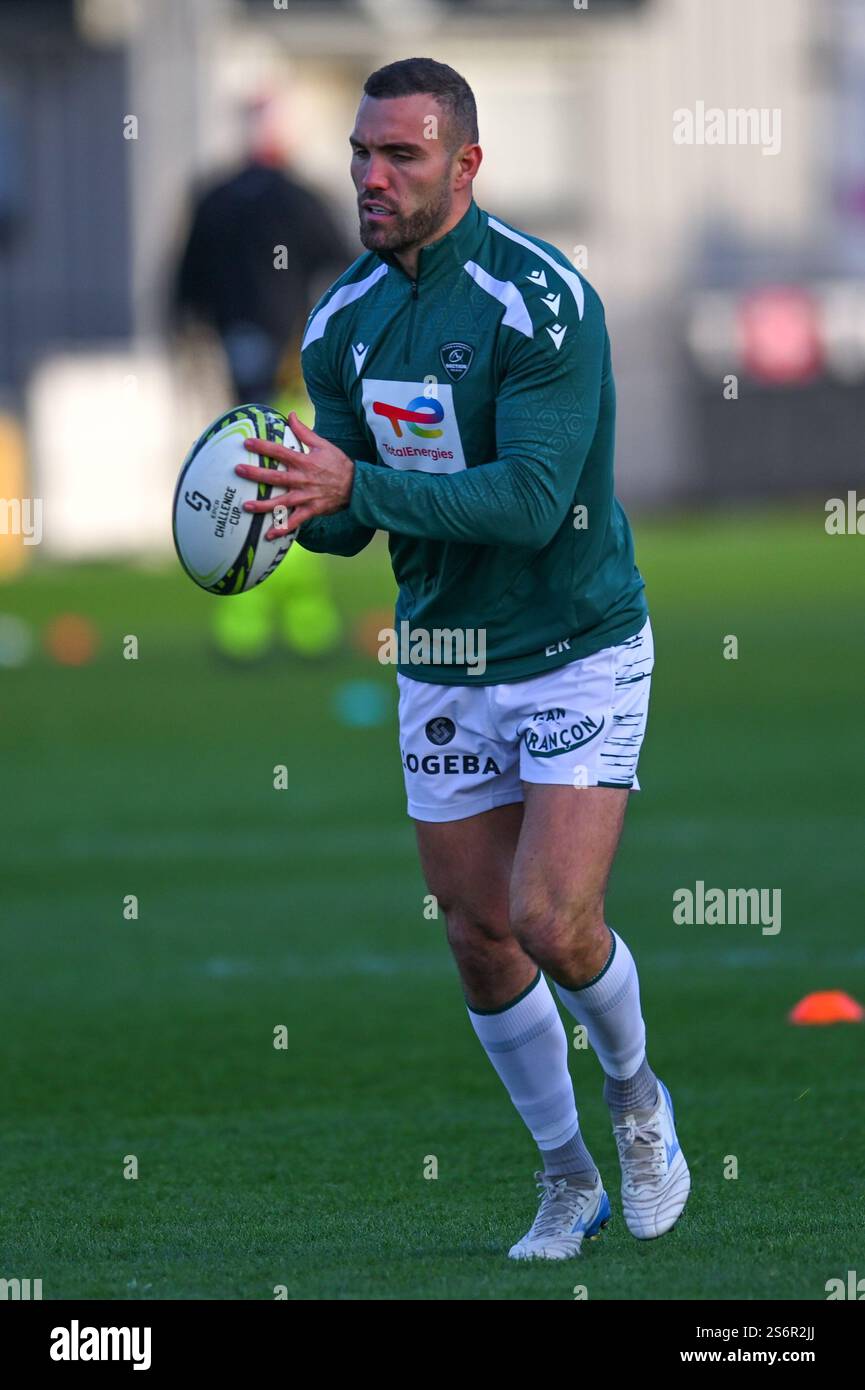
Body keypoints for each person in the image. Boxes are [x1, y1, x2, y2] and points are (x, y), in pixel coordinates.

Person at [235, 57, 690, 1260]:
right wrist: (281, 503)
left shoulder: (539, 302)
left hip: (572, 641)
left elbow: (536, 500)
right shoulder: (342, 320)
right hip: (441, 653)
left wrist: (356, 482)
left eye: (402, 156)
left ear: (465, 165)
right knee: (478, 934)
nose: (371, 178)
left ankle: (639, 1101)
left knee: (551, 918)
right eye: (360, 154)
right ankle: (564, 1174)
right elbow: (348, 514)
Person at [173, 97, 351, 662]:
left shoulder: (216, 197)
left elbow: (184, 286)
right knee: (291, 485)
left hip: (239, 362)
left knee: (242, 481)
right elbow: (351, 272)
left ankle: (244, 618)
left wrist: (191, 344)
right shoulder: (302, 198)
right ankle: (302, 619)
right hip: (291, 360)